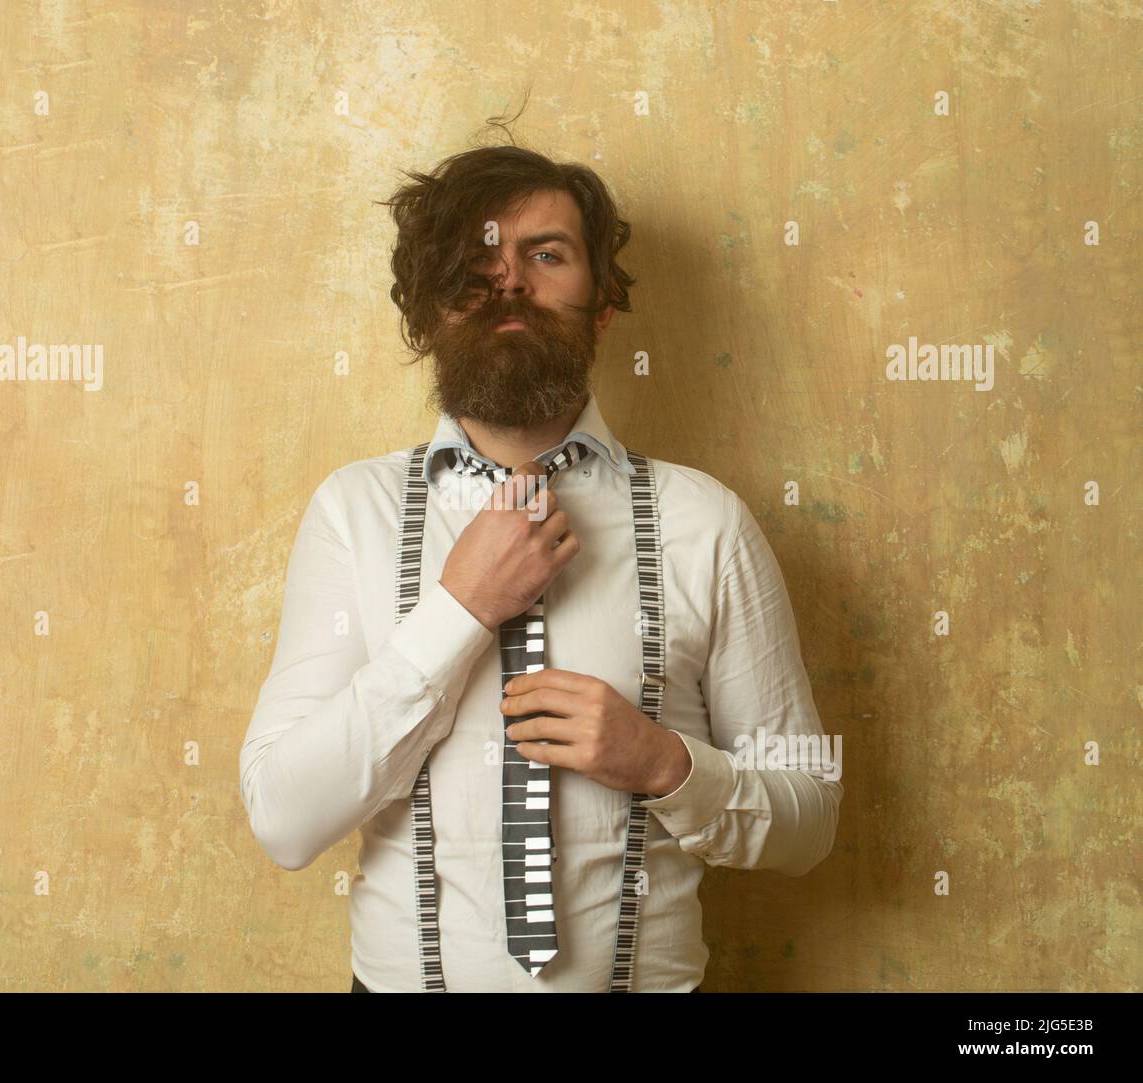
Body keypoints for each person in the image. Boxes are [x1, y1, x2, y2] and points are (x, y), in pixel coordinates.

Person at [239, 144, 842, 993]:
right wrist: (459, 610)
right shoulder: (352, 513)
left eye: (545, 254)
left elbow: (811, 815)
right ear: (428, 314)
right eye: (474, 263)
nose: (510, 281)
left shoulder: (707, 523)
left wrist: (668, 765)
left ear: (601, 309)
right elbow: (284, 817)